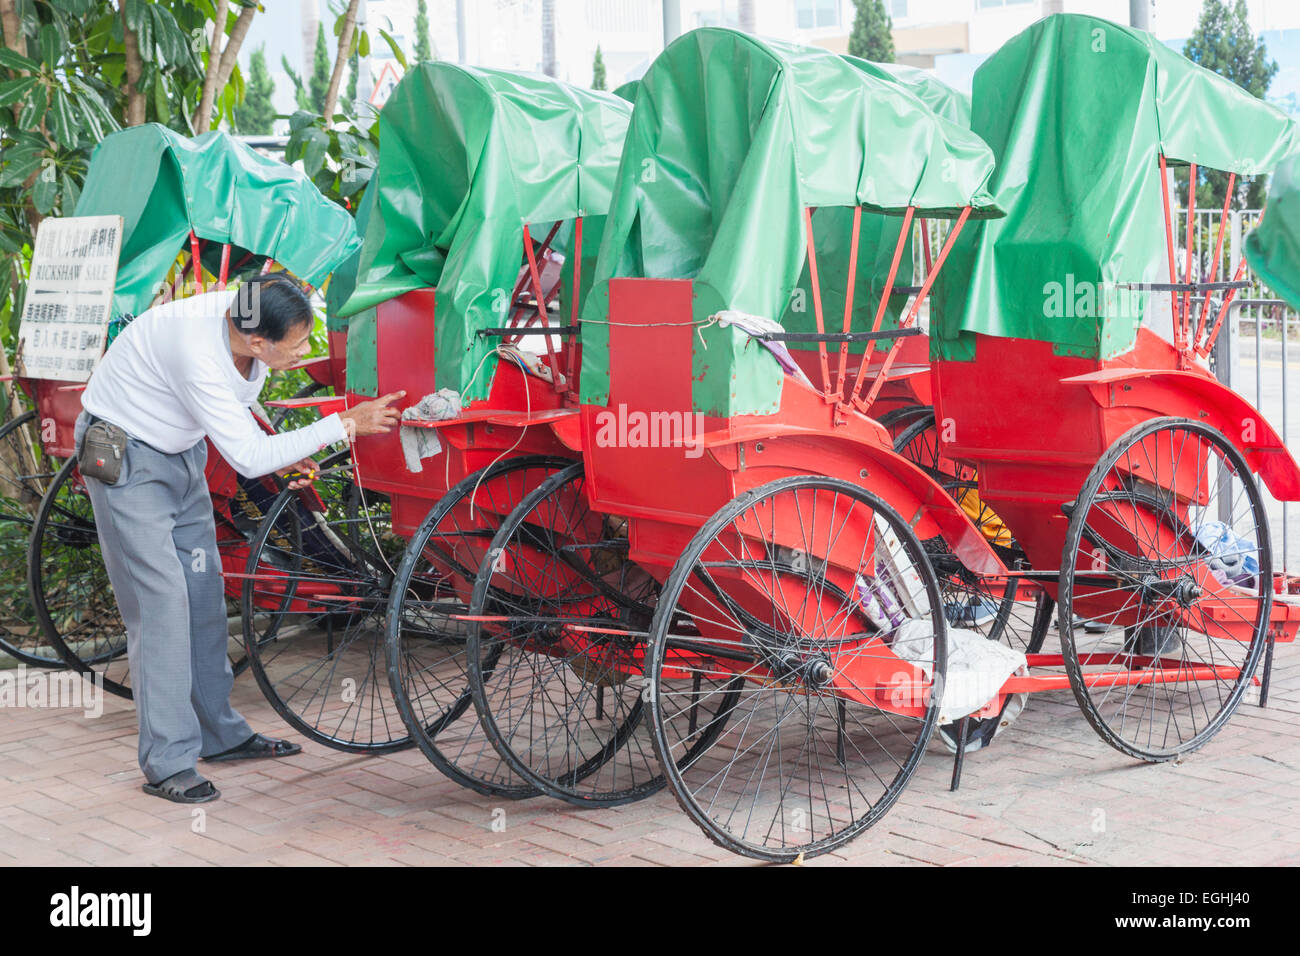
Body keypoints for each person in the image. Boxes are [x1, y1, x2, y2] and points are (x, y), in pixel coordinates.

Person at [77, 273, 404, 804]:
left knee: (204, 596)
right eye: (297, 343)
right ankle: (167, 763)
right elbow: (248, 457)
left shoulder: (245, 321)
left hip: (183, 453)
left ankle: (221, 735)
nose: (305, 350)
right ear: (257, 341)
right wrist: (342, 424)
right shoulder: (195, 348)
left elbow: (239, 422)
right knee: (161, 606)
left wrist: (289, 448)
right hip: (127, 459)